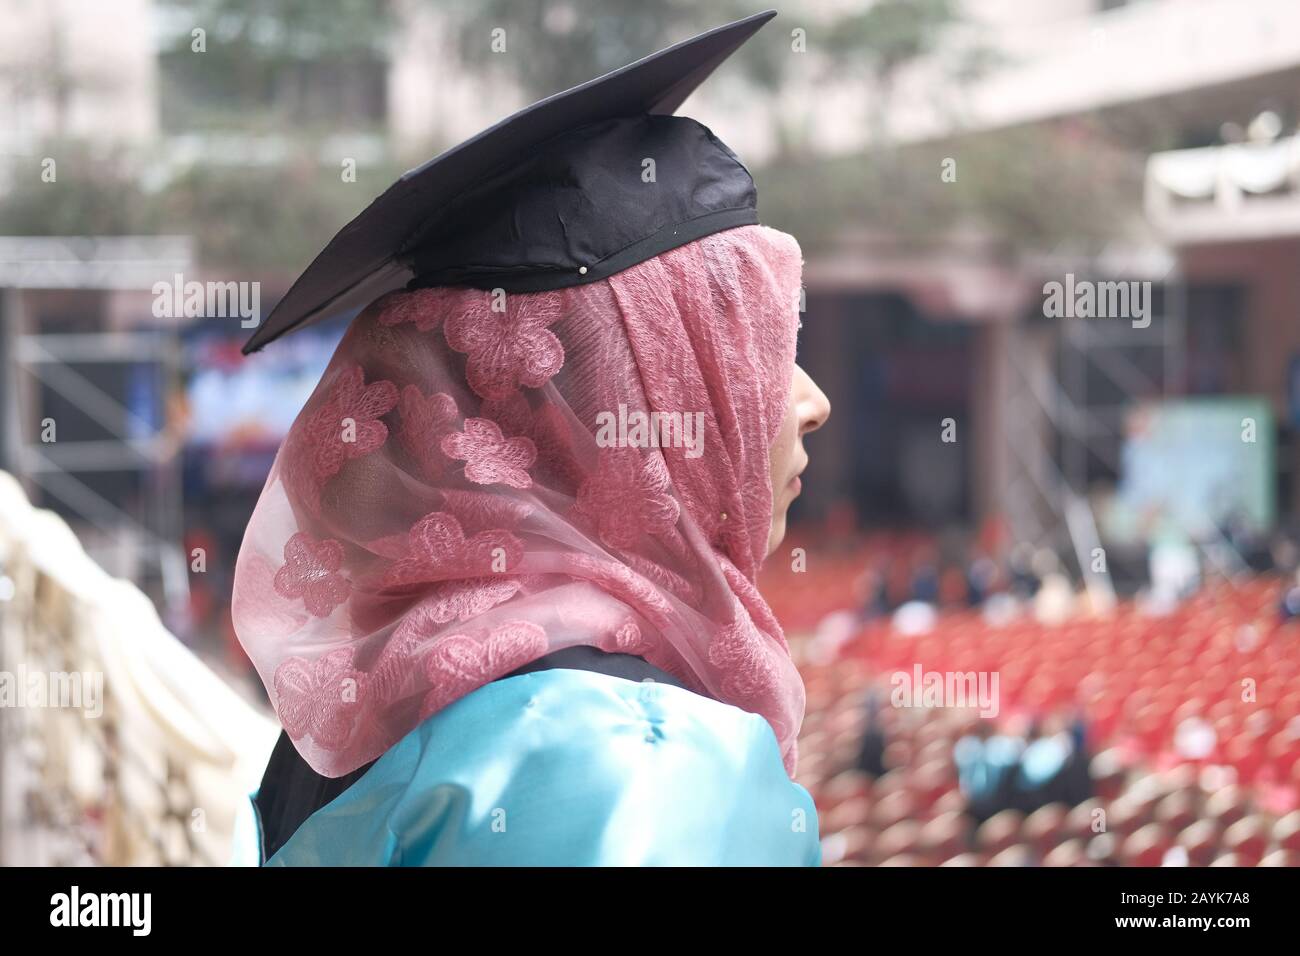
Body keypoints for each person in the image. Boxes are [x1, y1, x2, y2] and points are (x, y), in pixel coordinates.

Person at [229, 12, 831, 866]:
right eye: (758, 356)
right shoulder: (639, 768)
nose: (812, 403)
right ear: (611, 424)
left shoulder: (351, 725)